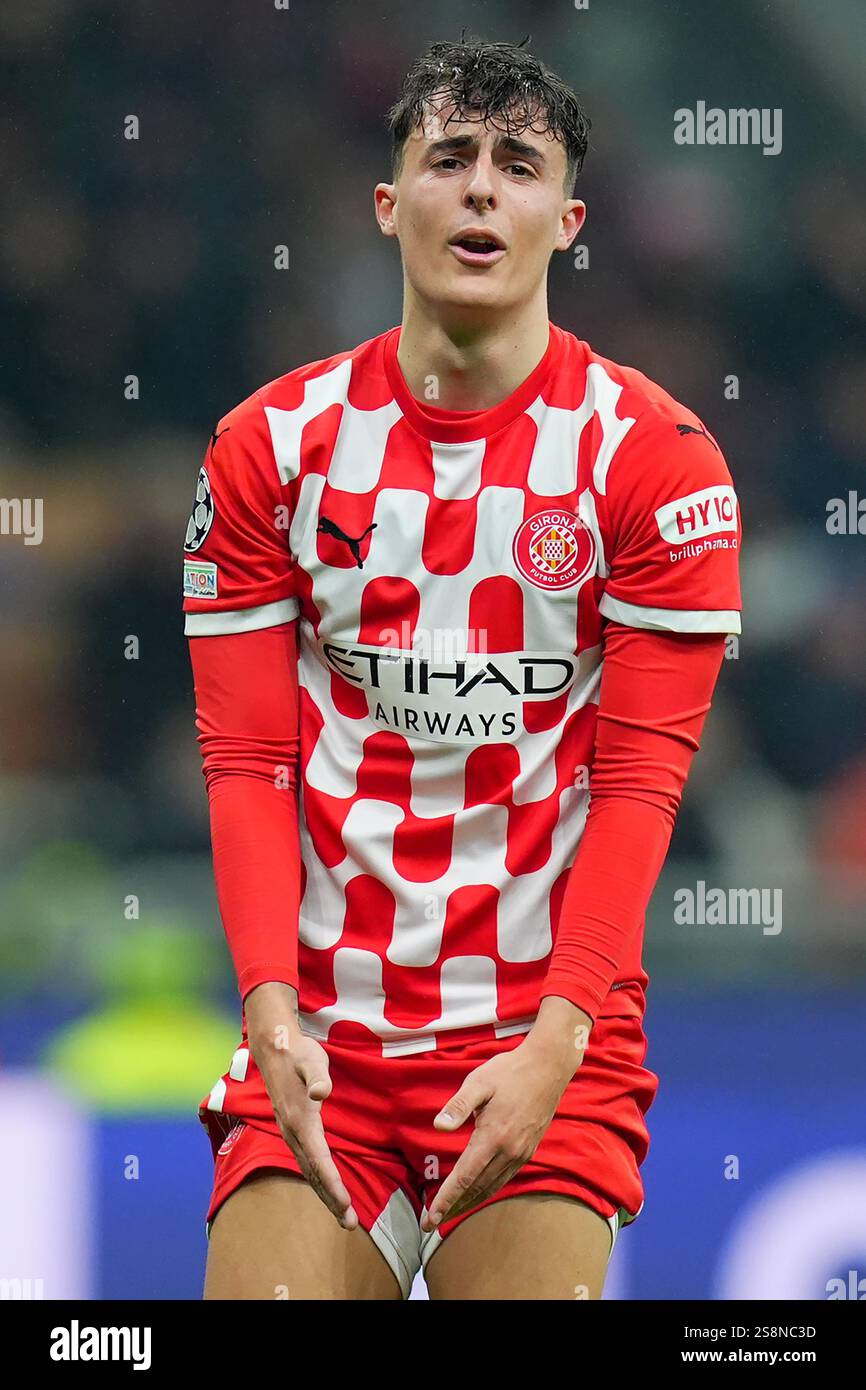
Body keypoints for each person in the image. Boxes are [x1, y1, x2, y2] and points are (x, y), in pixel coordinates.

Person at [183, 36, 742, 1300]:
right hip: (322, 1041)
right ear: (390, 206)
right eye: (448, 157)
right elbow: (248, 762)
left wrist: (557, 1043)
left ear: (566, 218)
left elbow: (639, 784)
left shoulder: (655, 463)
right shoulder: (266, 449)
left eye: (517, 165)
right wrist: (269, 1010)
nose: (481, 188)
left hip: (545, 1033)